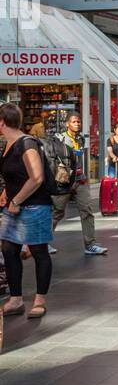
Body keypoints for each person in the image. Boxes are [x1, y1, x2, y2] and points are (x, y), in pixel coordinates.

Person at [0, 102, 52, 319]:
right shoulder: (9, 144)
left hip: (34, 206)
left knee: (39, 251)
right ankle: (16, 299)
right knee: (9, 249)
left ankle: (40, 300)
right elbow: (15, 175)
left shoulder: (26, 143)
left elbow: (37, 177)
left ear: (2, 122)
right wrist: (7, 193)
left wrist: (16, 201)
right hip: (15, 206)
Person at [48, 113, 107, 257]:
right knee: (57, 212)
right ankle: (44, 243)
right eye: (74, 122)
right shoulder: (60, 139)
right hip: (65, 180)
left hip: (80, 179)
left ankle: (90, 244)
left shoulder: (80, 139)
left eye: (79, 122)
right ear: (67, 124)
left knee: (86, 210)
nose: (77, 124)